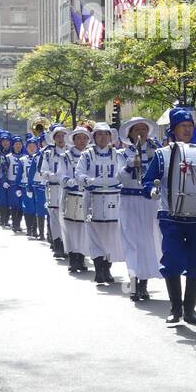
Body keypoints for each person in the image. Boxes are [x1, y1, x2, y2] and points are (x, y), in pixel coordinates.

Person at [142, 108, 196, 325]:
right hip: (171, 214)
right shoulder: (162, 154)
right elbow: (148, 181)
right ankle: (175, 308)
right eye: (183, 126)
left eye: (190, 126)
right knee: (172, 259)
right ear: (173, 130)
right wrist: (152, 191)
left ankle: (190, 309)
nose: (187, 130)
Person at [116, 117, 163, 302]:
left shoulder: (156, 152)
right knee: (131, 242)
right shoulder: (121, 153)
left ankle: (144, 284)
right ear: (130, 133)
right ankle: (133, 284)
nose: (141, 132)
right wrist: (130, 165)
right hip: (129, 199)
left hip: (149, 201)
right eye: (137, 129)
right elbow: (119, 178)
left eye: (144, 129)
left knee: (147, 241)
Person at [76, 122, 125, 286]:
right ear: (94, 137)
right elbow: (79, 173)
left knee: (111, 236)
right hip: (93, 198)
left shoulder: (116, 154)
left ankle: (107, 268)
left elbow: (123, 173)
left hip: (113, 198)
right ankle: (99, 270)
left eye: (106, 134)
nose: (103, 138)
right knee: (94, 235)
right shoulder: (87, 155)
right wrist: (88, 181)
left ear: (110, 137)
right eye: (99, 134)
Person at [61, 127, 92, 275]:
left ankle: (82, 257)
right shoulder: (66, 156)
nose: (82, 141)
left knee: (85, 229)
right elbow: (61, 175)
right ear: (73, 140)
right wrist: (69, 181)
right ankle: (73, 259)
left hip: (87, 195)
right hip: (71, 194)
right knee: (71, 229)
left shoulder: (91, 155)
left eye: (84, 138)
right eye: (78, 138)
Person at [41, 126, 68, 261]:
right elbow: (44, 171)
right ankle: (58, 245)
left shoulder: (71, 152)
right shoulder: (47, 153)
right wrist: (52, 176)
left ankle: (70, 246)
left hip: (68, 189)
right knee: (55, 217)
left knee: (68, 217)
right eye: (58, 136)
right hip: (53, 188)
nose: (61, 139)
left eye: (63, 136)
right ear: (54, 138)